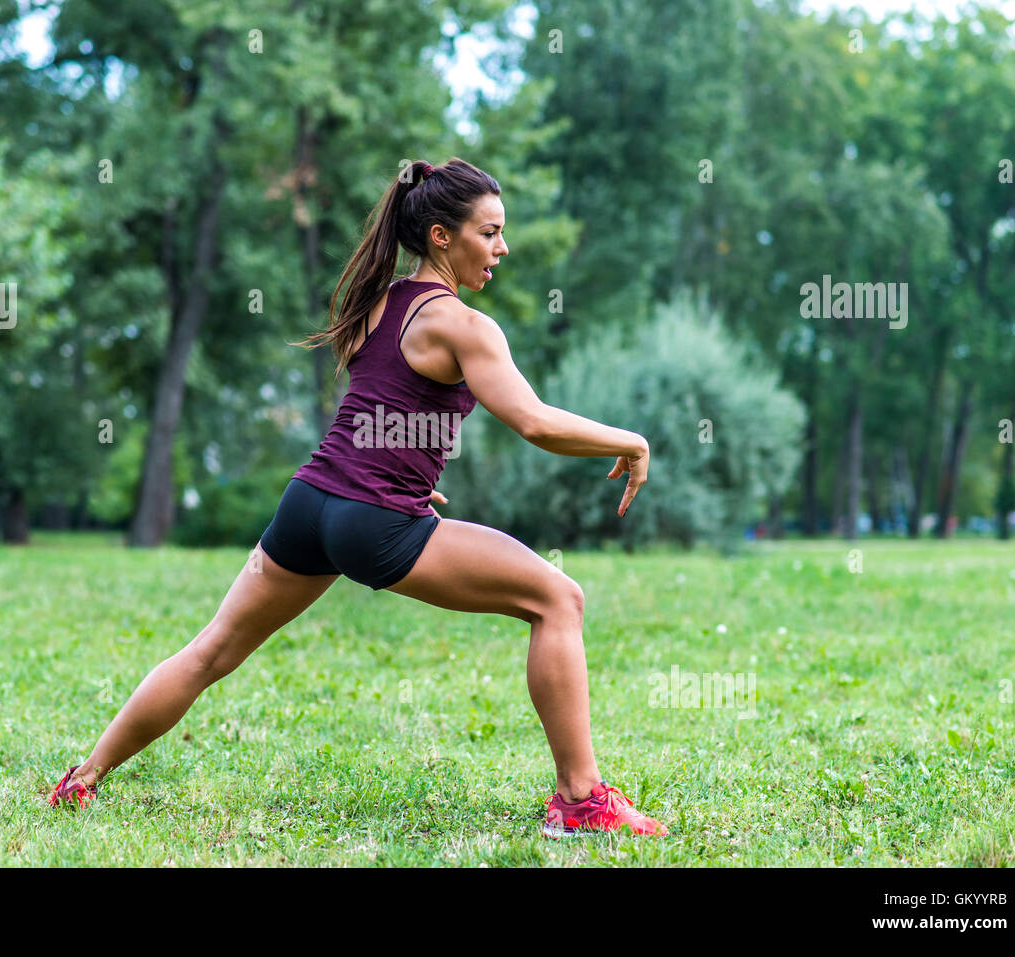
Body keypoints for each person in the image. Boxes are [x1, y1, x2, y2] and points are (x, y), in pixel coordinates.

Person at [48, 157, 666, 838]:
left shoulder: (379, 301)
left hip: (310, 504)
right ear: (440, 235)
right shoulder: (465, 325)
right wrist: (629, 440)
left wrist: (410, 476)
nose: (502, 248)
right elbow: (534, 421)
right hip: (373, 523)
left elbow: (382, 405)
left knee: (211, 650)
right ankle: (580, 800)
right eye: (489, 233)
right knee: (558, 598)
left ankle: (83, 778)